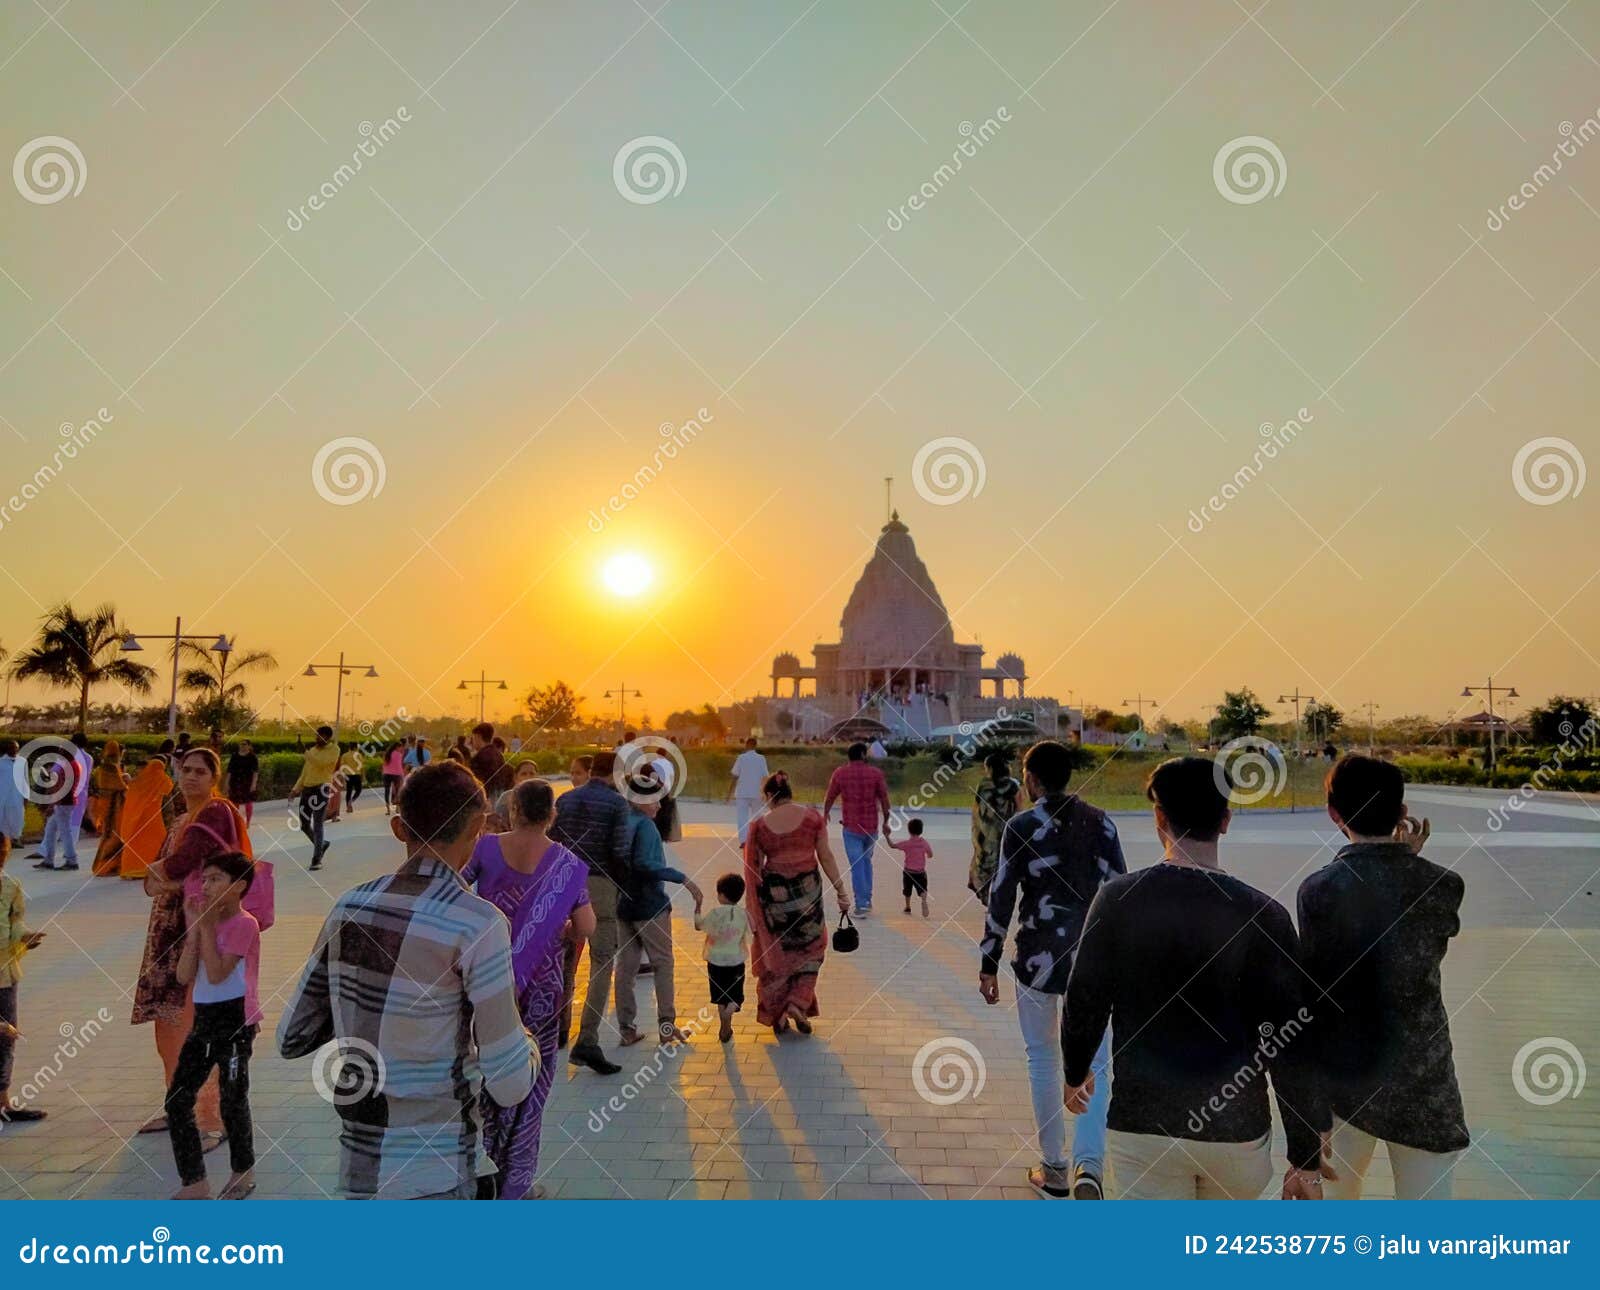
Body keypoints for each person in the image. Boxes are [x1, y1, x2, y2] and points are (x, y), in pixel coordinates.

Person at [1062, 756, 1328, 1201]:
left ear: (1159, 818)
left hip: (1144, 1124)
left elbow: (1084, 997)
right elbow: (1291, 1043)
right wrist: (1305, 1157)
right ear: (1225, 820)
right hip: (1236, 1132)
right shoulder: (1264, 915)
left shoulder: (1119, 899)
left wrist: (1075, 1070)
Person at [276, 761, 536, 1200]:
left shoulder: (348, 907)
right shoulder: (477, 924)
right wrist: (528, 1041)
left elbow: (291, 1038)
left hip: (359, 1169)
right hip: (439, 1169)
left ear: (399, 828)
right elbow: (510, 1084)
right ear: (479, 826)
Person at [1298, 754, 1467, 1199]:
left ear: (1335, 815)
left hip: (1344, 1081)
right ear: (1401, 813)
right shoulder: (1443, 885)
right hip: (1424, 1082)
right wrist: (1405, 859)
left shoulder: (1319, 890)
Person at [979, 739, 1123, 1200]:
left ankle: (1054, 1168)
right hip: (1095, 961)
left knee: (1042, 1057)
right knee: (1097, 1061)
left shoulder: (1021, 826)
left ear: (1033, 779)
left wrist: (988, 961)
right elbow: (1119, 892)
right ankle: (1090, 1166)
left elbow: (1002, 895)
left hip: (1037, 961)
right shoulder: (1103, 824)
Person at [462, 778, 594, 1200]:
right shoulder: (566, 863)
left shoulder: (483, 848)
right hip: (542, 987)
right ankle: (516, 1184)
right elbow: (587, 927)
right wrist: (561, 925)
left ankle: (485, 1162)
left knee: (486, 1069)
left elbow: (454, 891)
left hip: (488, 977)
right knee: (532, 1076)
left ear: (512, 809)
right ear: (551, 815)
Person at [133, 749, 248, 1146]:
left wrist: (159, 878)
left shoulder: (215, 813)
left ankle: (211, 1119)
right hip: (169, 931)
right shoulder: (183, 818)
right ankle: (177, 1105)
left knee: (197, 1023)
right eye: (186, 770)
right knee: (169, 1023)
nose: (191, 777)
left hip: (200, 933)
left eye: (201, 771)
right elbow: (158, 869)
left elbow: (177, 866)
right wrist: (160, 877)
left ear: (214, 777)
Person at [168, 851, 261, 1200]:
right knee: (178, 1099)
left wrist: (206, 928)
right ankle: (194, 1180)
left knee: (232, 1098)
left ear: (238, 887)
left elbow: (221, 973)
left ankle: (243, 1171)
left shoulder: (244, 924)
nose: (206, 885)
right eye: (204, 879)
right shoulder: (204, 921)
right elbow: (183, 975)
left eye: (216, 879)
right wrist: (195, 933)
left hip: (234, 1019)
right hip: (205, 1018)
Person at [745, 771, 849, 1036]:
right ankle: (797, 1002)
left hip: (775, 901)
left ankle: (779, 1015)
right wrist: (840, 889)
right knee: (813, 950)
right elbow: (825, 856)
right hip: (808, 899)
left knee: (779, 955)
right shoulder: (813, 818)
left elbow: (754, 870)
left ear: (770, 796)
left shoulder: (759, 826)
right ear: (789, 792)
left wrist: (753, 908)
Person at [549, 751, 633, 1074]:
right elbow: (620, 851)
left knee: (564, 959)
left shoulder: (566, 801)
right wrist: (621, 887)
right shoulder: (617, 804)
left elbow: (552, 842)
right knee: (601, 962)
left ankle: (555, 1027)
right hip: (599, 885)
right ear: (616, 773)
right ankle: (587, 1040)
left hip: (564, 882)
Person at [614, 777, 700, 1047]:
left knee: (626, 968)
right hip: (649, 904)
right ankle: (666, 1026)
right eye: (654, 798)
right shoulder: (646, 826)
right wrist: (682, 878)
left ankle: (627, 1028)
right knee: (663, 963)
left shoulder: (621, 823)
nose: (660, 804)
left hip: (624, 905)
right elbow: (644, 864)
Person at [0, 833, 48, 1123]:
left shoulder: (10, 886)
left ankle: (3, 1101)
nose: (2, 857)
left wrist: (25, 937)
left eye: (3, 852)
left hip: (5, 971)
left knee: (6, 1035)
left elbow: (14, 921)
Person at [822, 742, 891, 916]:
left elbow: (830, 795)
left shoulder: (840, 773)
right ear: (862, 755)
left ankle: (861, 904)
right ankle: (866, 898)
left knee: (857, 864)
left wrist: (825, 813)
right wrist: (886, 821)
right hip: (871, 827)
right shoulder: (875, 773)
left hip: (851, 827)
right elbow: (884, 799)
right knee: (866, 862)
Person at [694, 873, 750, 1042]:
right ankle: (731, 1010)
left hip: (715, 962)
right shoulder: (743, 914)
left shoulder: (715, 913)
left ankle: (724, 1027)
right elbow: (752, 930)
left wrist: (697, 908)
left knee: (720, 995)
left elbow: (699, 926)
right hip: (736, 961)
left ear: (721, 894)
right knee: (735, 995)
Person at [968, 751, 1021, 903]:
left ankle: (988, 897)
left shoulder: (983, 785)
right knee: (1002, 864)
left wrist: (978, 830)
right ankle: (996, 897)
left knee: (985, 862)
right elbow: (1019, 808)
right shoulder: (1012, 785)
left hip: (986, 832)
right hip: (1005, 831)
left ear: (990, 767)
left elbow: (977, 809)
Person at [34, 732, 92, 870]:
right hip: (70, 800)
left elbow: (59, 785)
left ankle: (71, 861)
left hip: (63, 803)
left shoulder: (66, 765)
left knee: (64, 832)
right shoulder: (80, 762)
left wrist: (50, 804)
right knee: (52, 829)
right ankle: (49, 859)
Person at [289, 726, 338, 870]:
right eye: (316, 736)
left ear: (328, 737)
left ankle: (316, 859)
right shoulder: (312, 751)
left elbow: (321, 763)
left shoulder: (334, 750)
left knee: (317, 823)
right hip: (307, 790)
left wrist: (305, 752)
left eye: (320, 736)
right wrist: (295, 789)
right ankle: (321, 844)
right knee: (304, 824)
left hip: (321, 789)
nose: (317, 738)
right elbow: (305, 772)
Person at [119, 754, 173, 883]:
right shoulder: (163, 778)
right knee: (158, 840)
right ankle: (154, 868)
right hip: (154, 817)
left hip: (137, 818)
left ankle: (130, 870)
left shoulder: (139, 780)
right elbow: (168, 790)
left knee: (134, 842)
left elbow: (130, 794)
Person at [89, 741, 130, 876]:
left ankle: (111, 865)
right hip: (112, 805)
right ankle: (105, 866)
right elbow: (119, 786)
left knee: (111, 834)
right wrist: (128, 783)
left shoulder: (106, 766)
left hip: (109, 803)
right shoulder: (110, 767)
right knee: (113, 835)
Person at [726, 738, 768, 846]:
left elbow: (735, 776)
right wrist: (765, 793)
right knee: (758, 817)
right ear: (755, 745)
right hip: (756, 792)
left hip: (742, 792)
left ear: (746, 745)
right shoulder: (761, 759)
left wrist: (729, 794)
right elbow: (765, 777)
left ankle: (743, 841)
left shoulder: (741, 758)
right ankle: (757, 840)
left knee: (742, 817)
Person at [888, 816, 932, 917]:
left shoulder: (907, 843)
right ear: (921, 830)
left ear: (909, 831)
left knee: (907, 890)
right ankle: (924, 900)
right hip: (920, 872)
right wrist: (928, 855)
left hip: (908, 872)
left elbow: (892, 845)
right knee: (923, 889)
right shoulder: (924, 843)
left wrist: (887, 836)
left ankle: (908, 907)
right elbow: (930, 854)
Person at [469, 723, 513, 798]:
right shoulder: (499, 755)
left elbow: (475, 782)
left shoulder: (478, 757)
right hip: (498, 794)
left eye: (473, 738)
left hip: (485, 796)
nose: (472, 742)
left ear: (478, 736)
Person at [225, 740, 259, 827]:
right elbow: (230, 770)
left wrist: (253, 784)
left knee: (248, 801)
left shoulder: (252, 757)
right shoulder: (234, 756)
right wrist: (227, 782)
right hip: (235, 781)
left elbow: (255, 772)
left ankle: (248, 822)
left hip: (247, 781)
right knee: (234, 801)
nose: (242, 746)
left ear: (249, 746)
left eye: (244, 744)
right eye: (240, 744)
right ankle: (235, 821)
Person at [0, 741, 24, 848]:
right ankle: (6, 840)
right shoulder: (1, 762)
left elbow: (25, 780)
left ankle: (16, 839)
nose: (14, 749)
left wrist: (26, 796)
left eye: (16, 748)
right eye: (11, 747)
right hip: (3, 796)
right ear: (7, 749)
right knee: (4, 818)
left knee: (18, 817)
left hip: (18, 796)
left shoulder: (23, 761)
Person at [339, 746, 365, 815]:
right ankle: (352, 801)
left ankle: (348, 807)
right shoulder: (358, 755)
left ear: (349, 747)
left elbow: (342, 766)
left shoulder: (344, 755)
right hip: (356, 775)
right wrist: (363, 776)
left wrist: (343, 776)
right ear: (355, 747)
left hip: (348, 775)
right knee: (358, 790)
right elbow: (361, 766)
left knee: (349, 791)